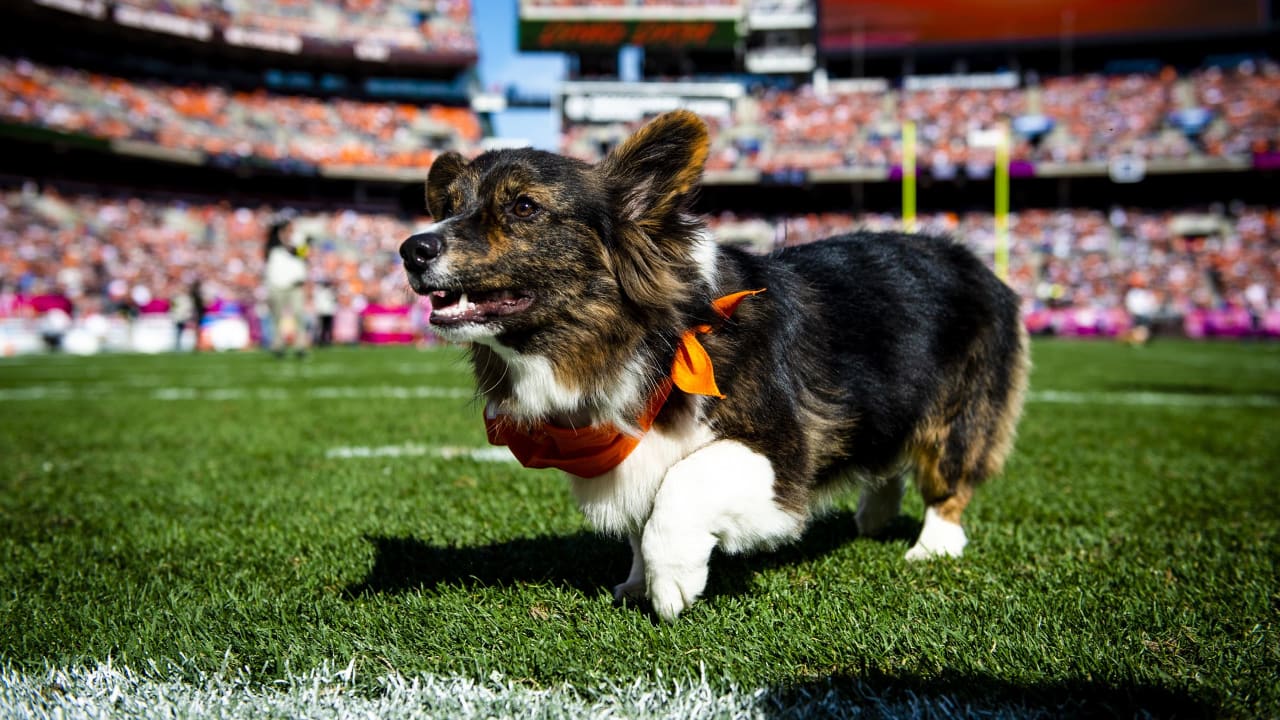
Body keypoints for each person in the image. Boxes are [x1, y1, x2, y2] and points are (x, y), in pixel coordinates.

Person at [263, 211, 310, 358]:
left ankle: (300, 345)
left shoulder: (299, 238)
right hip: (277, 285)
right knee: (277, 317)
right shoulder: (272, 242)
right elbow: (266, 255)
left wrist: (287, 242)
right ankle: (278, 345)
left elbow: (303, 253)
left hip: (295, 285)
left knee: (298, 314)